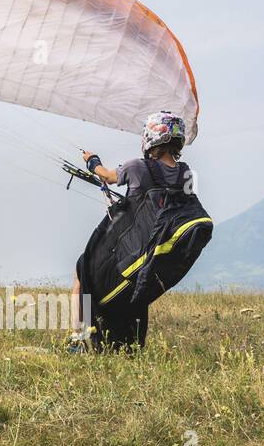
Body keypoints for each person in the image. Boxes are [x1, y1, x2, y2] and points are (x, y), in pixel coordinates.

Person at [68, 111, 209, 352]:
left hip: (127, 249)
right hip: (152, 254)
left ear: (150, 137)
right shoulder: (186, 173)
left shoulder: (136, 167)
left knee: (82, 272)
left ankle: (76, 339)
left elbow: (107, 176)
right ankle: (127, 345)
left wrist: (92, 160)